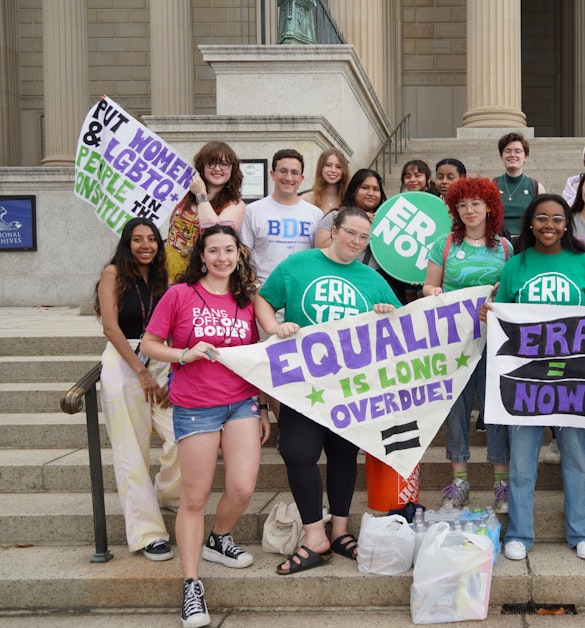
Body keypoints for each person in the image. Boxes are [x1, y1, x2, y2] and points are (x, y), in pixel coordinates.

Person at [255, 207, 401, 575]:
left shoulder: (372, 279)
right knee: (297, 451)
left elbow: (403, 326)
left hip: (349, 387)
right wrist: (274, 325)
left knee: (342, 455)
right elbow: (263, 299)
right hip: (304, 384)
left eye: (363, 237)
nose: (356, 241)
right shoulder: (298, 265)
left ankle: (339, 531)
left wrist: (387, 311)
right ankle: (314, 535)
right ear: (334, 231)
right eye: (350, 233)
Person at [141, 225, 267, 628]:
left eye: (229, 250)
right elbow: (148, 344)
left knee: (243, 487)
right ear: (202, 256)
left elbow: (257, 352)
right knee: (194, 498)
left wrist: (262, 405)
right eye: (213, 251)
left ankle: (220, 536)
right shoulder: (180, 294)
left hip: (242, 402)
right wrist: (184, 353)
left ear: (239, 254)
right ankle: (192, 585)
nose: (222, 258)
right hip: (196, 406)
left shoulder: (246, 298)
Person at [480, 194, 585, 563]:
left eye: (556, 218)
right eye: (541, 218)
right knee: (521, 461)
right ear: (530, 223)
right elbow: (503, 313)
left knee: (576, 457)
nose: (549, 225)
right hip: (527, 379)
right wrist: (492, 317)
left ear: (567, 223)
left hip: (573, 378)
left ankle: (583, 532)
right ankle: (519, 533)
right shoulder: (516, 264)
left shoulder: (583, 262)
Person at [423, 177, 513, 513]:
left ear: (490, 206)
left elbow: (511, 292)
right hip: (453, 341)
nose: (469, 210)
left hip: (495, 341)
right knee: (457, 410)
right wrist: (434, 293)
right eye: (462, 205)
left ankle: (501, 483)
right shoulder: (443, 245)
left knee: (495, 408)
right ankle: (459, 482)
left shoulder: (505, 248)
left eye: (476, 203)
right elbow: (429, 286)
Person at [94, 217, 179, 561]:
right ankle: (148, 533)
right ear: (127, 244)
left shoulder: (165, 278)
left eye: (152, 240)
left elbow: (175, 328)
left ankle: (164, 492)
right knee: (131, 449)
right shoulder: (113, 274)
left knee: (183, 438)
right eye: (137, 240)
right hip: (124, 361)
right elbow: (111, 328)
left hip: (160, 358)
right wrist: (141, 372)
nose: (146, 246)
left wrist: (171, 373)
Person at [241, 148, 324, 285]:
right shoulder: (252, 211)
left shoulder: (315, 214)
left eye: (294, 173)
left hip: (302, 290)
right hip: (264, 290)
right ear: (272, 174)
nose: (288, 178)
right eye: (283, 171)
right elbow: (244, 257)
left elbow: (319, 257)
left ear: (301, 178)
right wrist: (256, 289)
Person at [165, 141, 246, 281]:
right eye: (211, 163)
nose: (217, 168)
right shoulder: (184, 194)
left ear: (233, 169)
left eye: (224, 164)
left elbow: (215, 232)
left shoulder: (236, 205)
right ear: (202, 167)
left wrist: (201, 194)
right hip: (166, 269)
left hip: (201, 272)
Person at [314, 168, 386, 250]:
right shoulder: (334, 216)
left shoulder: (387, 222)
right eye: (365, 188)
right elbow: (320, 247)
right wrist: (355, 221)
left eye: (376, 189)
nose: (371, 193)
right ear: (353, 190)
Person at [492, 132, 545, 236]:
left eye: (518, 151)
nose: (512, 155)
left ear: (526, 157)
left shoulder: (537, 187)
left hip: (526, 242)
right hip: (498, 244)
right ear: (501, 156)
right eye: (508, 151)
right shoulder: (492, 186)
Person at [300, 148, 349, 213]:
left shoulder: (349, 201)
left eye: (338, 167)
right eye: (328, 165)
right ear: (321, 168)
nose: (333, 170)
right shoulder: (306, 199)